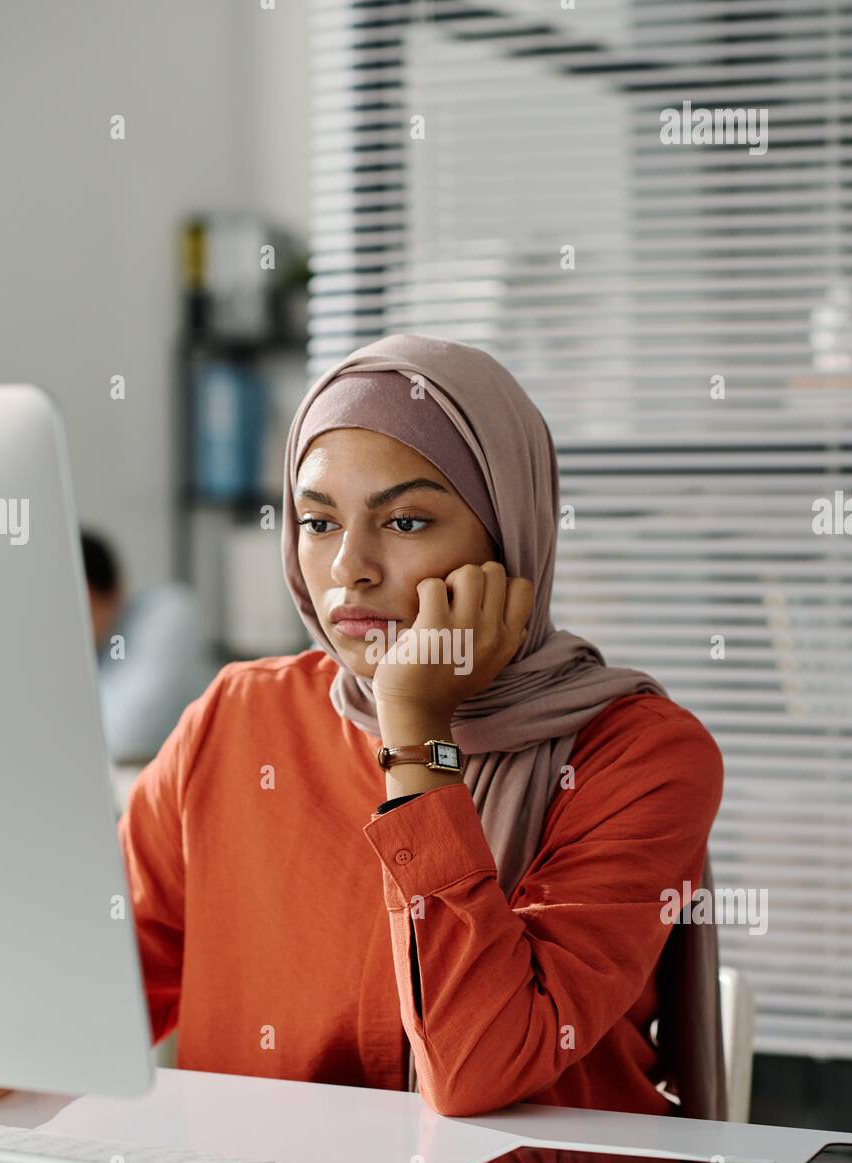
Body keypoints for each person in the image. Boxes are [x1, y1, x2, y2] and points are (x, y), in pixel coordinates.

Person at [112, 333, 727, 1120]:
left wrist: (416, 734)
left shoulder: (639, 753)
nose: (348, 568)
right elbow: (98, 1000)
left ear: (508, 534)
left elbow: (481, 1066)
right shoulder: (238, 719)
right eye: (318, 521)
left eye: (404, 523)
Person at [81, 530, 219, 764]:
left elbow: (127, 736)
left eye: (86, 610)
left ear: (115, 593)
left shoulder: (170, 611)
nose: (78, 628)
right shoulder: (93, 650)